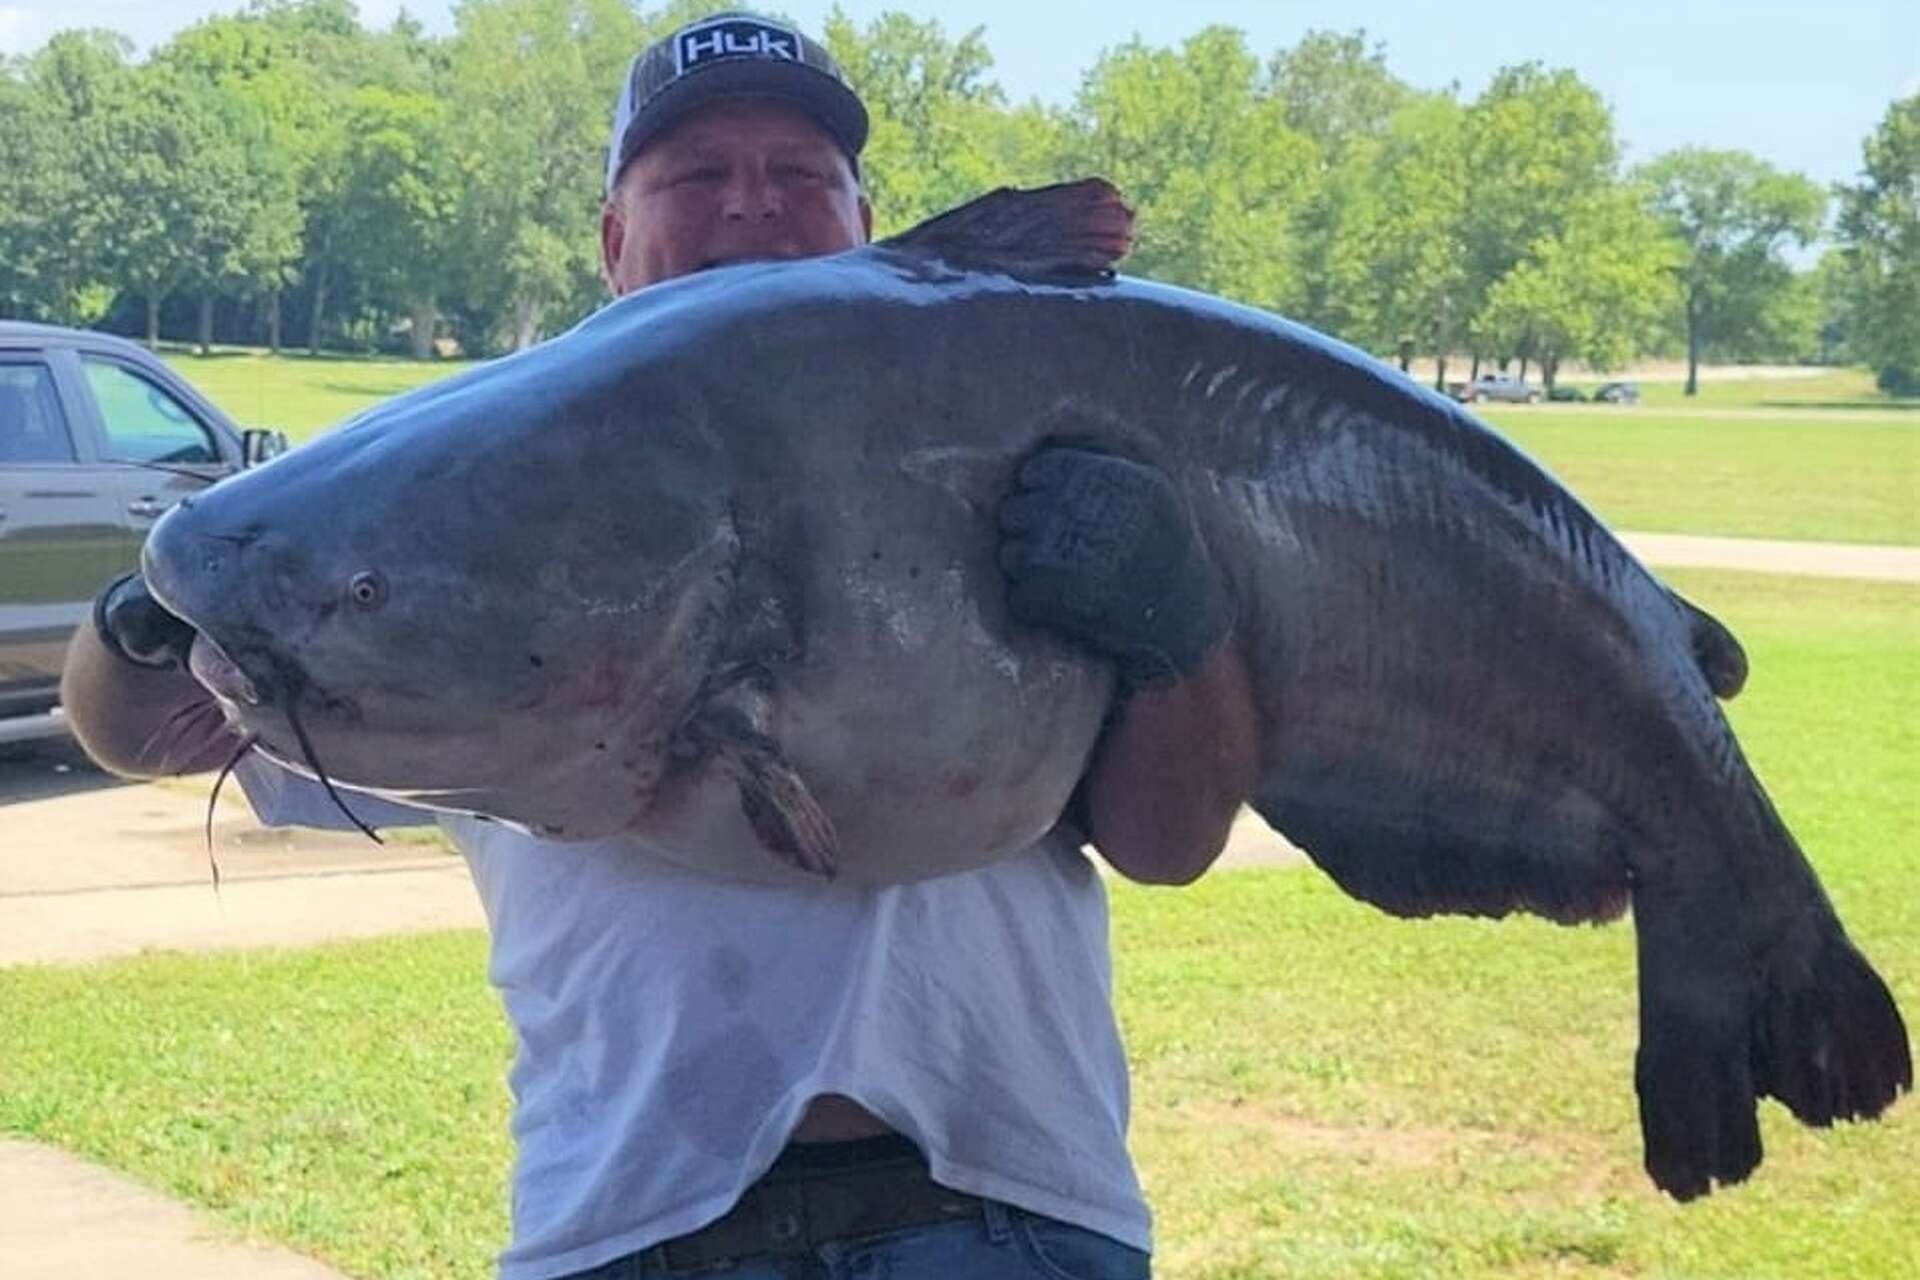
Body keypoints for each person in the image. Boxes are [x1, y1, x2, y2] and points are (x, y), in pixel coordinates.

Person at [62, 11, 1257, 1279]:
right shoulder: (449, 519)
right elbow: (130, 727)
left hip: (1009, 1209)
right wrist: (152, 613)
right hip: (632, 1228)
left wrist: (1177, 627)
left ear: (865, 224)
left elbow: (1170, 843)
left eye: (801, 176)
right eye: (697, 176)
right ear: (613, 241)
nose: (753, 208)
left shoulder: (1032, 454)